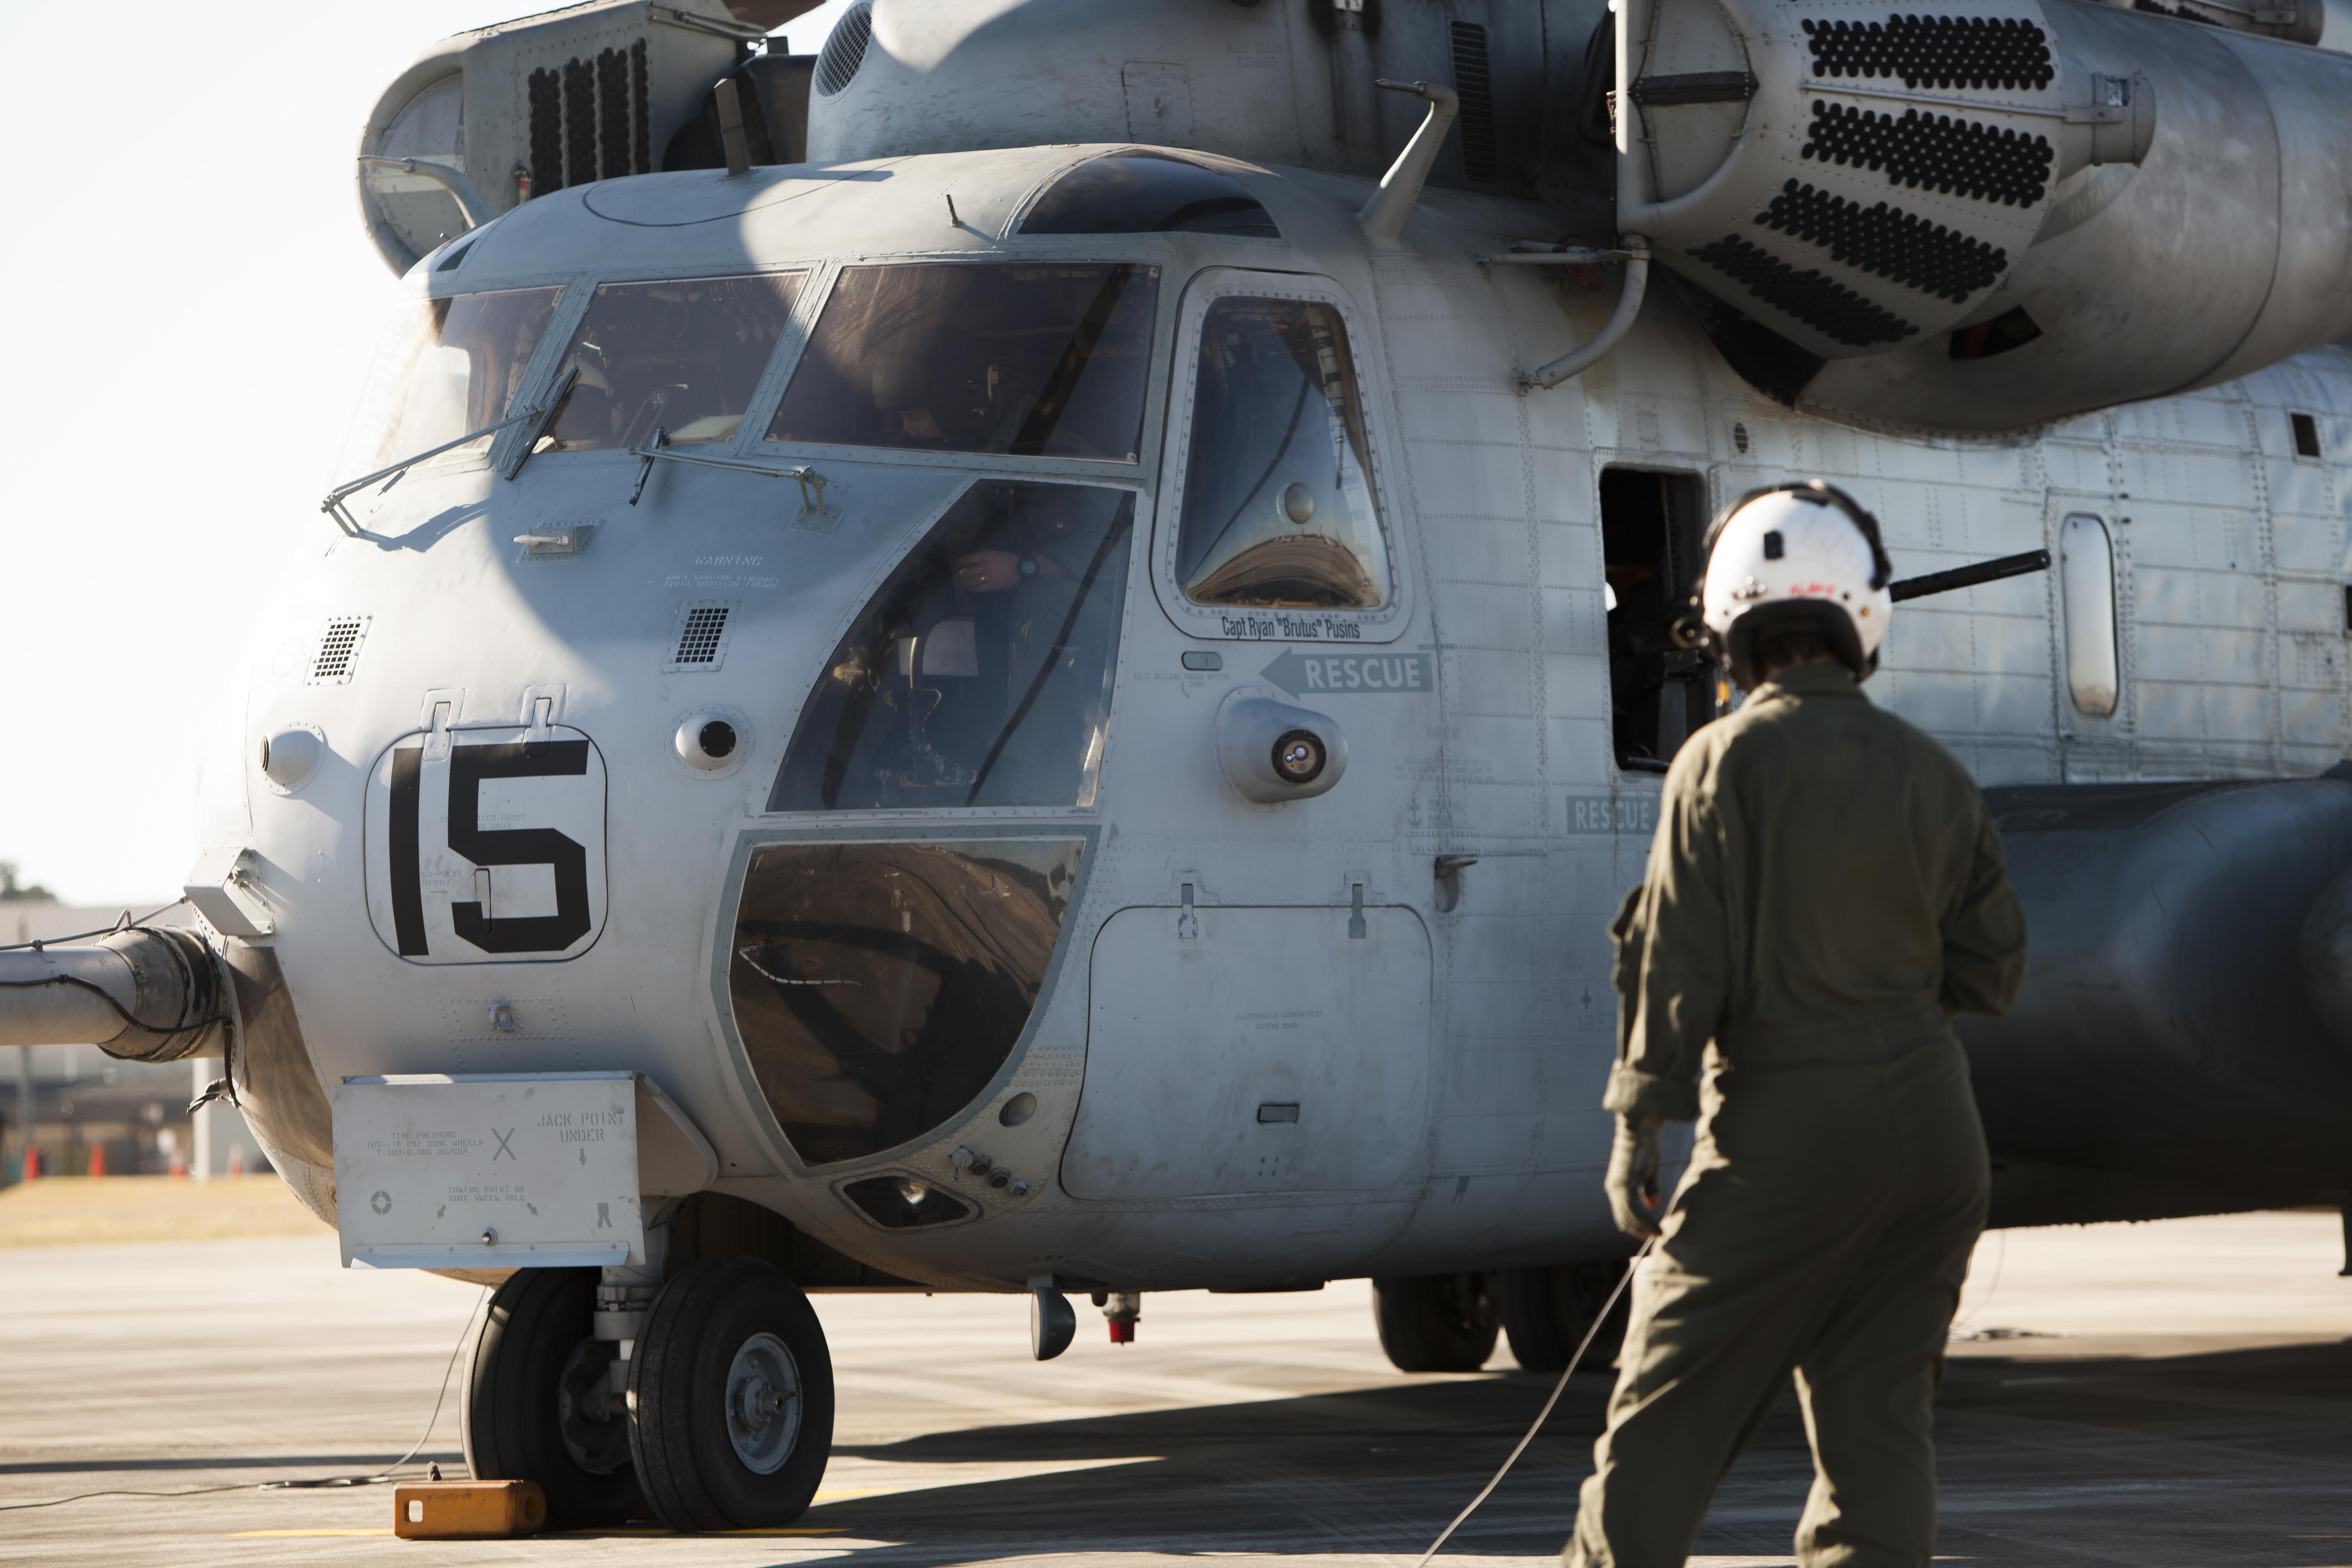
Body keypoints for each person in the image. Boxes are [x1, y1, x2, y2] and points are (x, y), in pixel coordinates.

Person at [1568, 481, 2029, 1568]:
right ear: (1862, 616)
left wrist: (1641, 1128)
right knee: (1878, 1421)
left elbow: (1679, 960)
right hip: (1935, 1138)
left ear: (1729, 622)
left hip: (1785, 1129)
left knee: (1666, 1411)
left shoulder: (1720, 764)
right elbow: (1996, 971)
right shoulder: (1937, 774)